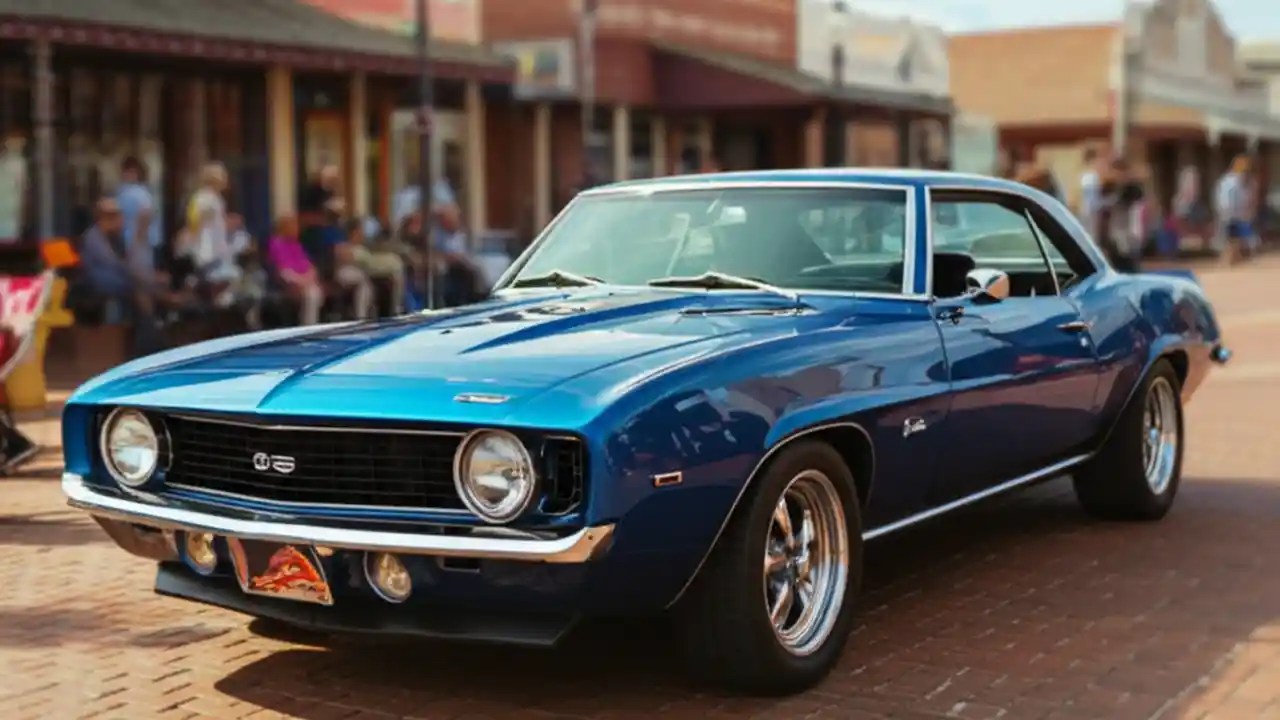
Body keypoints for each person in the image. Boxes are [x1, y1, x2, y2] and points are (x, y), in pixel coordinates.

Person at [77, 198, 165, 353]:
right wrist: (141, 276)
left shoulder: (116, 237)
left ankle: (149, 329)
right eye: (114, 216)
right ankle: (149, 330)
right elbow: (113, 263)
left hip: (116, 278)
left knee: (143, 286)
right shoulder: (94, 237)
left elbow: (129, 261)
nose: (119, 219)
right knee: (138, 287)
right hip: (98, 280)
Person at [267, 216, 324, 326]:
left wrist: (309, 276)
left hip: (302, 277)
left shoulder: (296, 244)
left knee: (314, 291)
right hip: (287, 277)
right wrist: (301, 280)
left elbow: (307, 264)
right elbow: (281, 269)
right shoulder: (275, 243)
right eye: (294, 226)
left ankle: (310, 324)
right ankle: (308, 327)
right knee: (311, 293)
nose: (297, 229)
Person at [347, 217, 407, 315]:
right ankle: (361, 317)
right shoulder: (350, 248)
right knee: (366, 285)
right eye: (359, 230)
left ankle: (396, 307)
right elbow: (364, 261)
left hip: (371, 271)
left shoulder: (365, 247)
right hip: (361, 272)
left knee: (395, 271)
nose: (361, 233)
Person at [1214, 154, 1255, 265]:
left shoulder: (1246, 184)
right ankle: (1227, 261)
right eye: (1242, 171)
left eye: (1245, 171)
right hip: (1228, 218)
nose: (1244, 174)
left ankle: (1238, 260)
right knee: (1232, 242)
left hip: (1239, 218)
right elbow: (1224, 204)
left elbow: (1247, 204)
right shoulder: (1228, 183)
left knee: (1246, 242)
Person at [116, 156, 160, 257]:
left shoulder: (141, 192)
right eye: (126, 171)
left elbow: (145, 215)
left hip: (139, 243)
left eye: (132, 172)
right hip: (124, 241)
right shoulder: (121, 190)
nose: (128, 175)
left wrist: (137, 241)